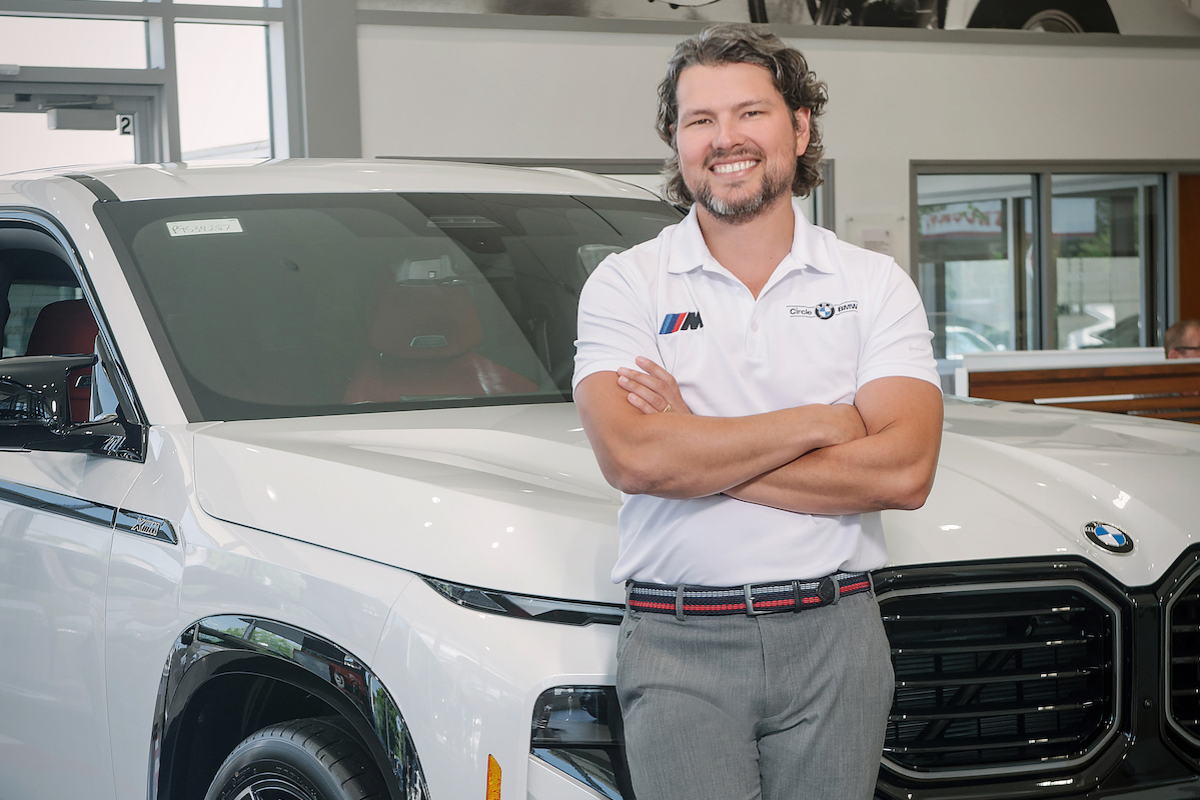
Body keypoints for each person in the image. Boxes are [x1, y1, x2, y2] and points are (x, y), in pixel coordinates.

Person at [571, 23, 944, 800]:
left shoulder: (873, 284)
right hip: (677, 644)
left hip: (836, 639)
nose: (724, 139)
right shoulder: (625, 284)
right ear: (676, 139)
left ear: (799, 127)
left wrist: (695, 444)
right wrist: (821, 422)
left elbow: (904, 473)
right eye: (699, 119)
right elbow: (636, 459)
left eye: (750, 113)